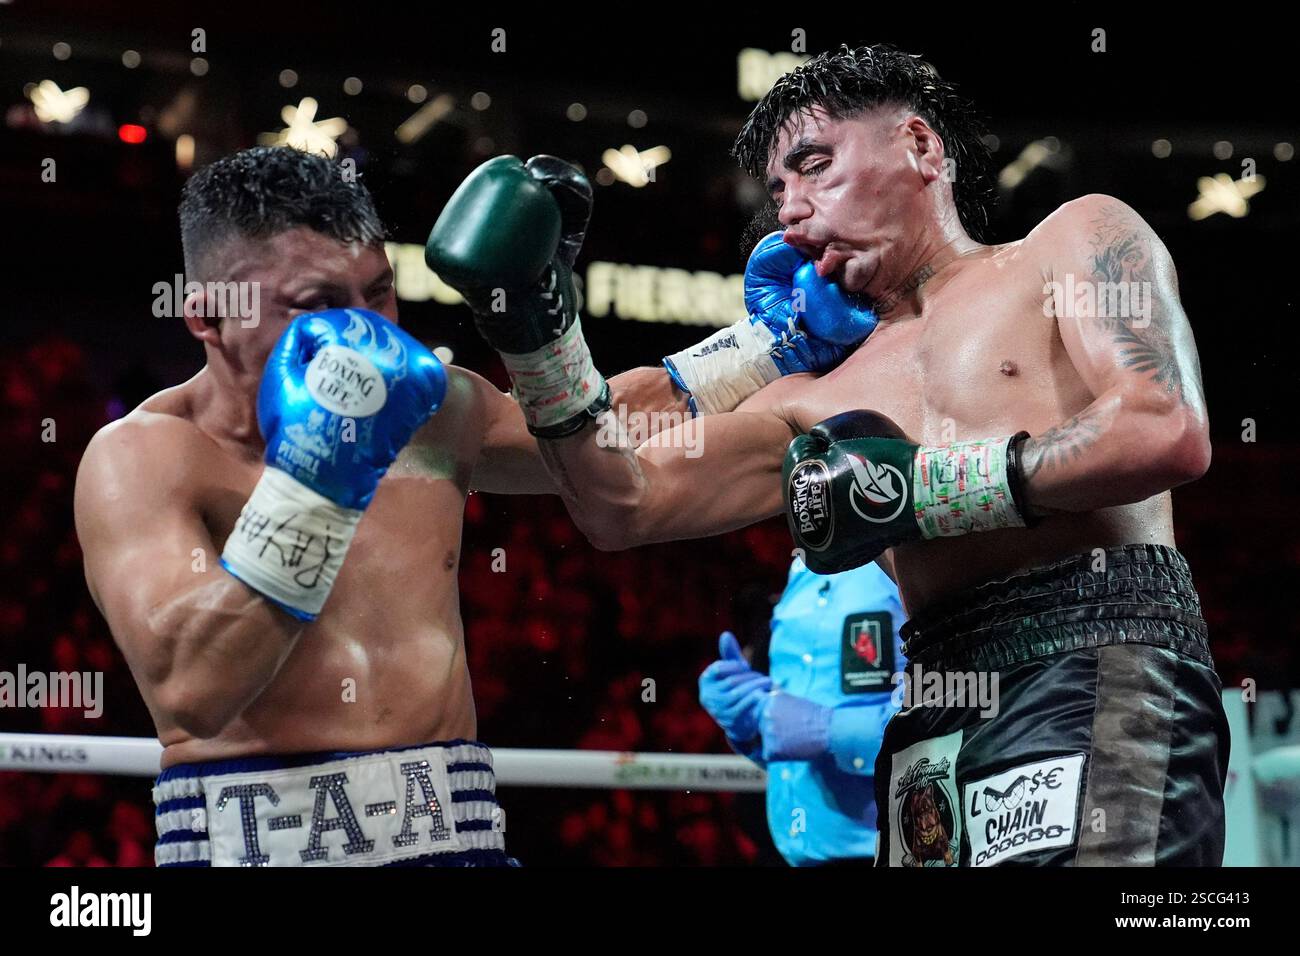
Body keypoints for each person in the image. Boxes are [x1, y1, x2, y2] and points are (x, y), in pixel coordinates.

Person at [427, 43, 1229, 866]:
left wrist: (926, 492)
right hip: (931, 711)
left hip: (1095, 659)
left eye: (814, 166)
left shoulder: (1071, 240)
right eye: (778, 190)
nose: (791, 209)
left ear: (920, 147)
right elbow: (618, 502)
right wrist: (541, 335)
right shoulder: (811, 395)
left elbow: (1162, 427)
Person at [74, 146, 868, 866]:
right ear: (208, 315)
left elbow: (594, 441)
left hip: (455, 839)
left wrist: (766, 344)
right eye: (317, 303)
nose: (362, 331)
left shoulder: (432, 408)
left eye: (379, 293)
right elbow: (194, 691)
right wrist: (321, 476)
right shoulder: (145, 457)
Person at [699, 559, 903, 865]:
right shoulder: (803, 572)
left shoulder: (913, 562)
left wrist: (830, 730)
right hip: (792, 853)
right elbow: (794, 725)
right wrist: (752, 720)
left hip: (895, 850)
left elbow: (972, 702)